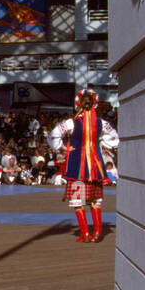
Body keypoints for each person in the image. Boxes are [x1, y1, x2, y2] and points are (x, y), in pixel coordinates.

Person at [51, 89, 116, 242]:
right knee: (95, 201)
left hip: (76, 166)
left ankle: (85, 233)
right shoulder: (101, 122)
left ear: (78, 104)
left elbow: (53, 135)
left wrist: (63, 148)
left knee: (78, 200)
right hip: (94, 165)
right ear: (94, 103)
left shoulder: (71, 123)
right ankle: (97, 233)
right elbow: (114, 137)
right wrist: (102, 144)